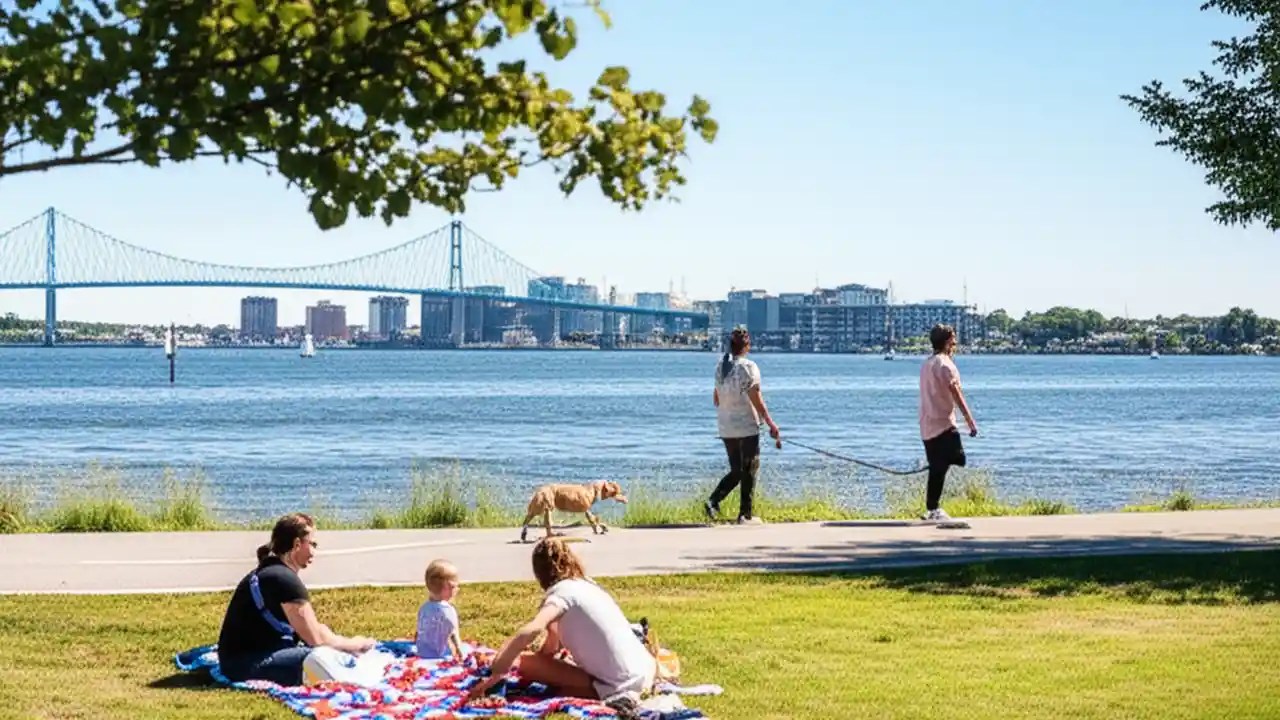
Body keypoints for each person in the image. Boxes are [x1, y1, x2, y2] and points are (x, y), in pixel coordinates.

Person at [465, 538, 656, 719]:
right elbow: (550, 648)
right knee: (552, 679)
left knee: (519, 661)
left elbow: (531, 630)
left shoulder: (560, 596)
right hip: (644, 673)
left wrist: (498, 669)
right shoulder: (586, 585)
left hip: (617, 685)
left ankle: (494, 689)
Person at [216, 512, 375, 685]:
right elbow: (315, 639)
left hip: (237, 661)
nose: (314, 551)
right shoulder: (284, 580)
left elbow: (312, 629)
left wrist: (342, 641)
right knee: (321, 657)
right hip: (248, 665)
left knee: (327, 648)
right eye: (312, 544)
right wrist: (354, 645)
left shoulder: (270, 571)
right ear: (297, 544)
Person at [704, 327, 780, 525]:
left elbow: (716, 398)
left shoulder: (721, 367)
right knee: (750, 469)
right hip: (746, 425)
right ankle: (745, 516)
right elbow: (756, 398)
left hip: (726, 426)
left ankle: (713, 500)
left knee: (737, 470)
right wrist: (770, 423)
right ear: (747, 345)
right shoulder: (748, 367)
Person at [918, 323, 979, 522]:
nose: (955, 342)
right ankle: (933, 508)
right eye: (953, 338)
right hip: (943, 422)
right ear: (946, 341)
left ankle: (932, 508)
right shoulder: (945, 365)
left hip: (928, 421)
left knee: (939, 465)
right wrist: (970, 421)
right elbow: (956, 394)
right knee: (954, 458)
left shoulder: (927, 364)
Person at [416, 559, 465, 660]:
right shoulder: (448, 611)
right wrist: (460, 652)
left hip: (423, 654)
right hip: (441, 656)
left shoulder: (424, 608)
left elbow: (419, 631)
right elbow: (453, 634)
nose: (457, 589)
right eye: (455, 586)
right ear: (448, 587)